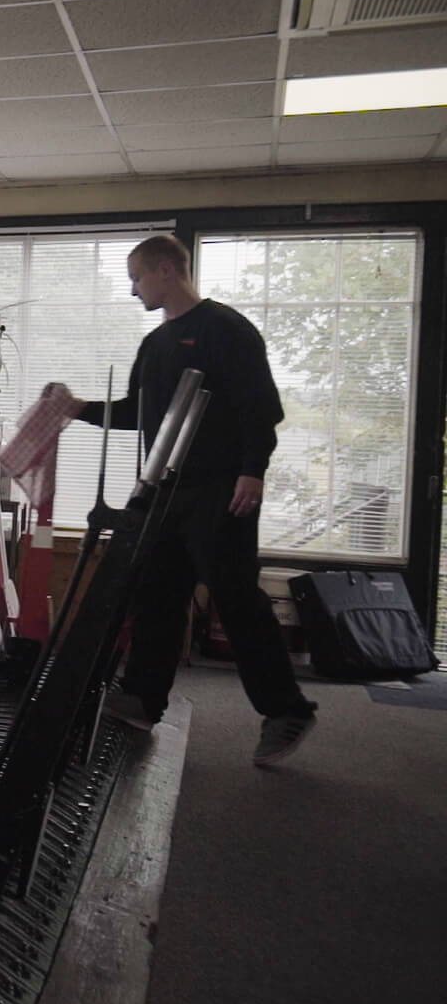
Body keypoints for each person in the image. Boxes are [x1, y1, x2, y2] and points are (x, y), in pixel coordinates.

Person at [47, 233, 318, 766]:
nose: (132, 290)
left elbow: (259, 408)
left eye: (136, 277)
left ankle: (287, 710)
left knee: (235, 598)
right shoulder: (155, 344)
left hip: (221, 487)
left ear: (167, 270)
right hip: (164, 491)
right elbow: (136, 413)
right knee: (157, 594)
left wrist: (252, 471)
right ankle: (144, 700)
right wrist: (76, 407)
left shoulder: (226, 329)